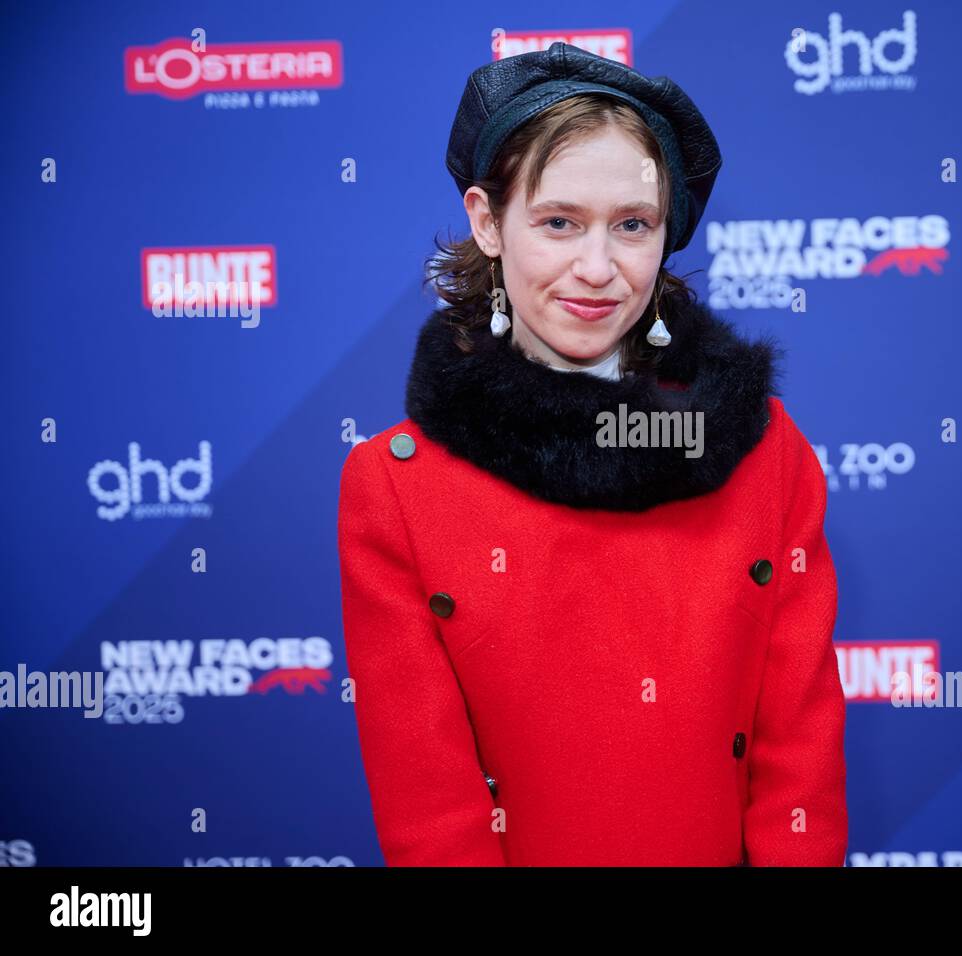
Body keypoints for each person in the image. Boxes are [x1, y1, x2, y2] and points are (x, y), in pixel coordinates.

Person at [337, 42, 847, 866]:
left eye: (633, 226)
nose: (598, 268)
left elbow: (800, 768)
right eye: (559, 222)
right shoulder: (395, 487)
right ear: (485, 221)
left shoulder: (764, 450)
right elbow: (433, 815)